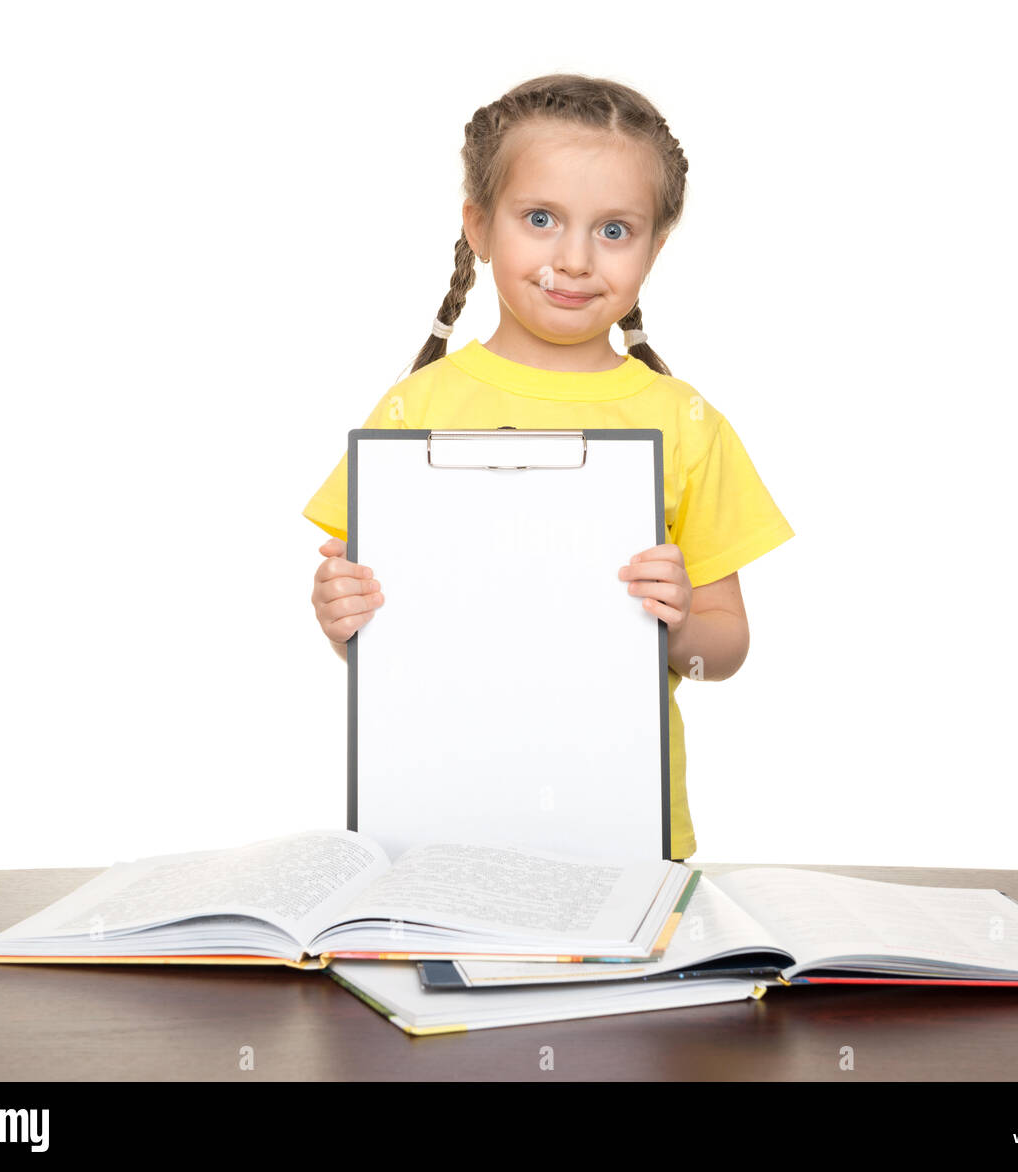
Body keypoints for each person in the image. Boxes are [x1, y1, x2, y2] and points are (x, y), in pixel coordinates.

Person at [303, 74, 794, 861]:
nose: (573, 259)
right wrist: (340, 616)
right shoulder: (413, 410)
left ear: (655, 246)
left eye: (614, 230)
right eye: (541, 219)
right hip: (433, 819)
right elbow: (375, 639)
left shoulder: (684, 421)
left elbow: (724, 650)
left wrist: (679, 620)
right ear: (479, 226)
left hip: (626, 832)